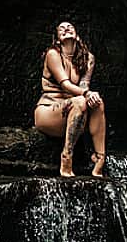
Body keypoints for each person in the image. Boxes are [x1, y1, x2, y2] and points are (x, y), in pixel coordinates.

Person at [33, 21, 107, 176]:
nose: (66, 28)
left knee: (97, 103)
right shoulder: (53, 54)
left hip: (75, 111)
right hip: (49, 112)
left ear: (77, 36)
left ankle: (100, 158)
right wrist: (86, 95)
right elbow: (66, 85)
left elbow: (84, 86)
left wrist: (90, 95)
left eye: (70, 27)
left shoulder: (89, 59)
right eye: (61, 28)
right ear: (58, 39)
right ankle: (66, 157)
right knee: (80, 101)